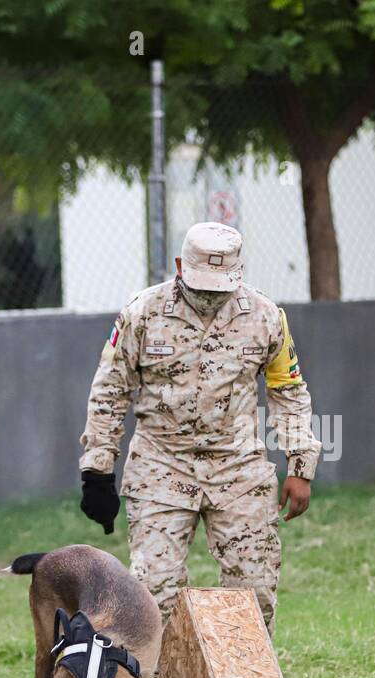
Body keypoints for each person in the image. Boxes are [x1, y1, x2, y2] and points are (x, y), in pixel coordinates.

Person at [78, 222, 321, 637]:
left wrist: (301, 465)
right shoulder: (142, 313)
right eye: (201, 284)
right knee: (154, 592)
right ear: (179, 266)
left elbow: (288, 390)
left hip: (238, 468)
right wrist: (97, 470)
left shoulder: (265, 316)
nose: (209, 295)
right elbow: (110, 390)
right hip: (161, 466)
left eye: (219, 285)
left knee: (254, 590)